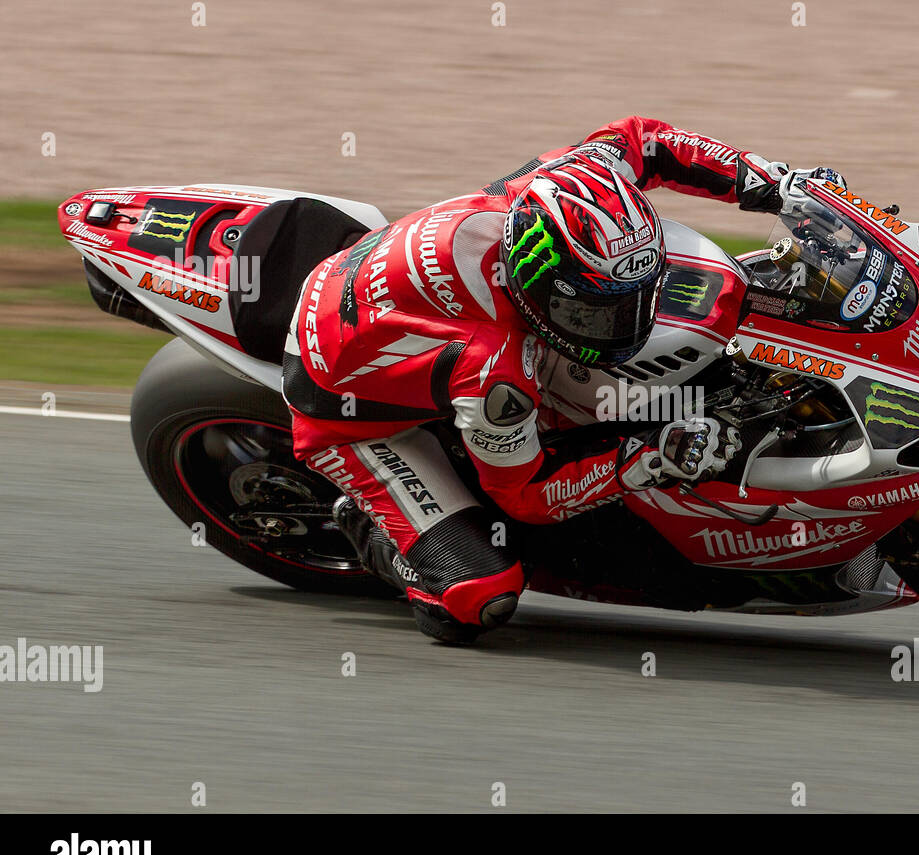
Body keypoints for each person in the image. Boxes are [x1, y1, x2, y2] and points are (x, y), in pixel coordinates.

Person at [281, 116, 844, 644]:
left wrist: (775, 184)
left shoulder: (560, 190)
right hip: (344, 412)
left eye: (635, 300)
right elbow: (527, 497)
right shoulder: (492, 370)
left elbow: (646, 139)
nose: (630, 324)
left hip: (372, 295)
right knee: (477, 597)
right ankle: (372, 529)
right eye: (598, 314)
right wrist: (650, 457)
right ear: (537, 286)